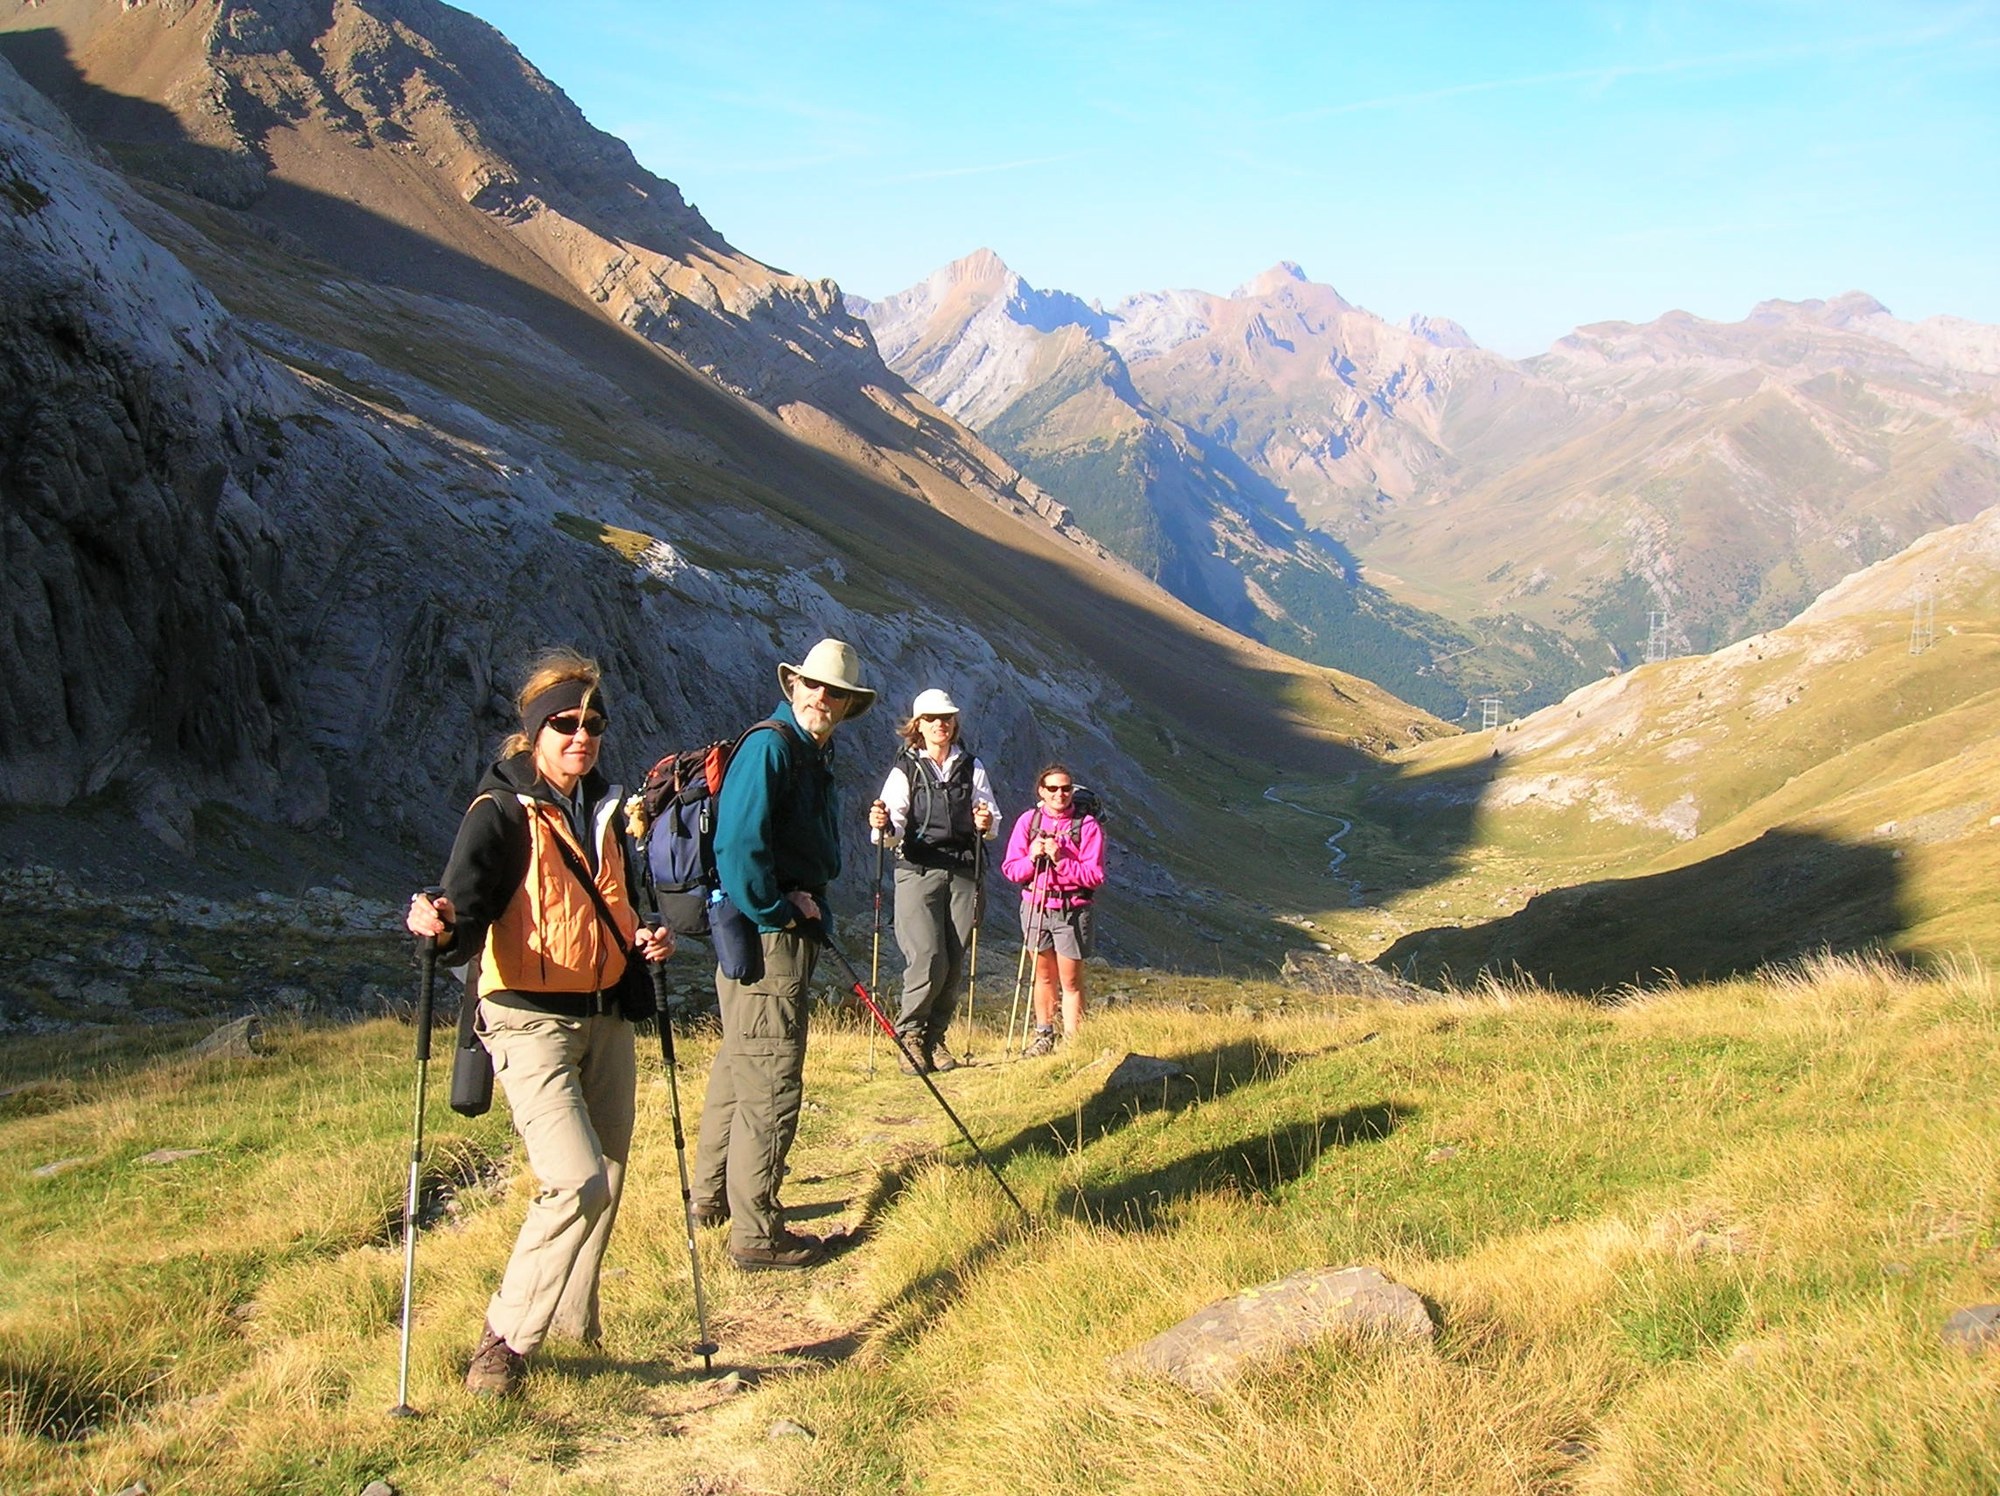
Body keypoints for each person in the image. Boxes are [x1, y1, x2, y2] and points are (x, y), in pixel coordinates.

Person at [405, 649, 672, 1397]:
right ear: (533, 733)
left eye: (593, 724)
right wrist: (439, 923)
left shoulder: (608, 811)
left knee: (609, 1179)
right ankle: (503, 1347)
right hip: (527, 1020)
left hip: (606, 1014)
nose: (580, 737)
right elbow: (462, 909)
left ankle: (574, 1335)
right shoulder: (499, 813)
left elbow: (614, 905)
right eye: (563, 724)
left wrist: (646, 938)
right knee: (577, 1181)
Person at [691, 638, 873, 1270]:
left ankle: (711, 1199)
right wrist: (780, 910)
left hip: (765, 925)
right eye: (815, 686)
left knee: (741, 1061)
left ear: (849, 704)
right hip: (769, 931)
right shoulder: (773, 747)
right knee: (770, 1074)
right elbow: (739, 848)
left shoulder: (810, 748)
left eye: (837, 692)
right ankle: (758, 1233)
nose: (824, 698)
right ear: (794, 686)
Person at [866, 689, 1001, 1075]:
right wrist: (883, 825)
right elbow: (891, 827)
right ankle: (910, 1035)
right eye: (931, 718)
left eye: (946, 718)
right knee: (926, 956)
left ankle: (933, 1039)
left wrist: (986, 823)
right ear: (918, 725)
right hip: (917, 869)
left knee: (955, 960)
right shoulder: (905, 769)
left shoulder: (971, 767)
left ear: (954, 723)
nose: (940, 724)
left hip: (963, 870)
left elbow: (990, 819)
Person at [1002, 763, 1105, 1057]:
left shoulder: (1087, 827)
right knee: (1043, 976)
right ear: (1041, 792)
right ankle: (1044, 1035)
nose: (1060, 794)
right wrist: (1033, 858)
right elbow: (1011, 869)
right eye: (1053, 789)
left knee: (1070, 980)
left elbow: (1095, 876)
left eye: (1066, 788)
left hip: (1071, 910)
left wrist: (1060, 861)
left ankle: (1074, 1043)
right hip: (1036, 907)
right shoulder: (1028, 821)